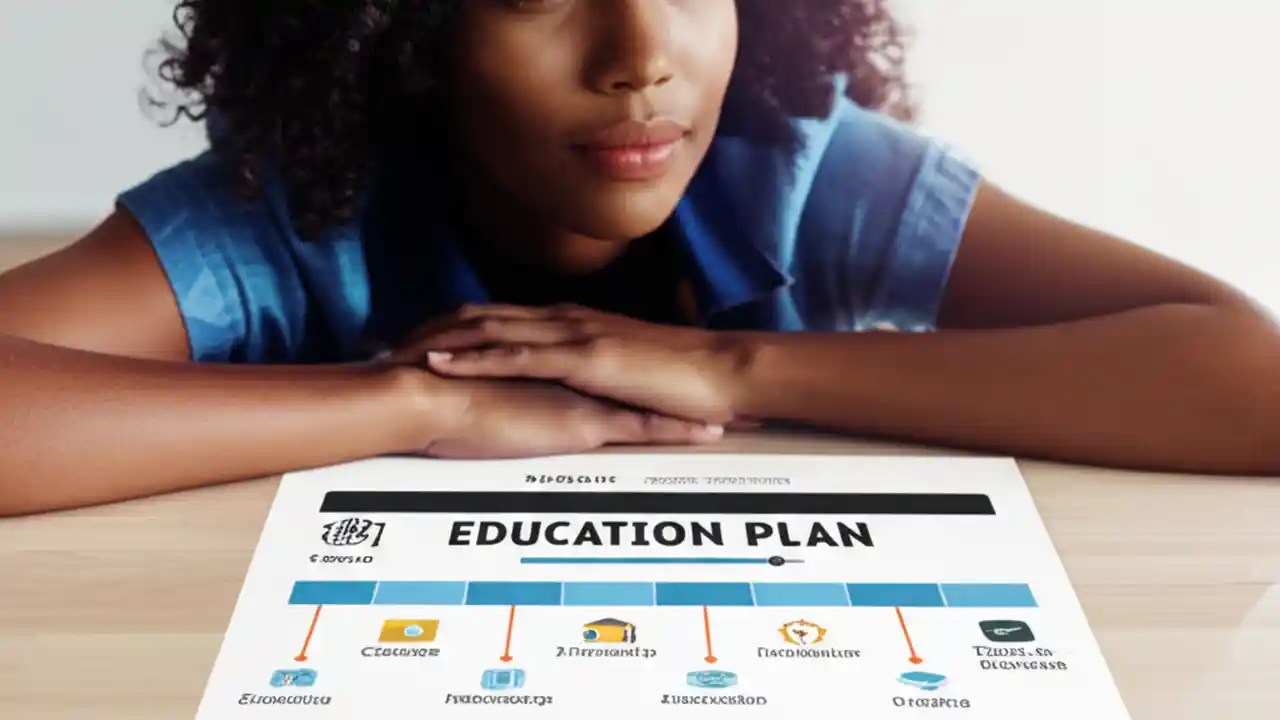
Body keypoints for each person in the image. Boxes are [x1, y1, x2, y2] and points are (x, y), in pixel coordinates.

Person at [0, 0, 1275, 517]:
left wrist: (733, 368)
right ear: (394, 31)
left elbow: (1246, 380)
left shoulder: (802, 169)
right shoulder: (282, 216)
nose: (638, 56)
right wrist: (413, 401)